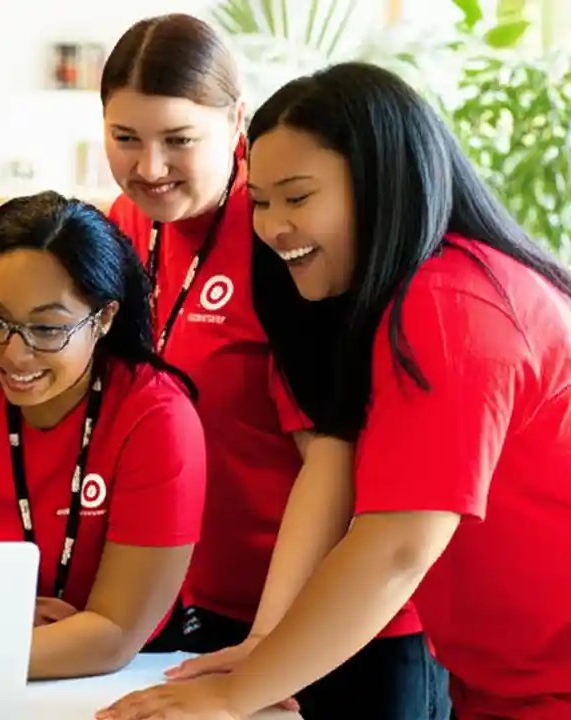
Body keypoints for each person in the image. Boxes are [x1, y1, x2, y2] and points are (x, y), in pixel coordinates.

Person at [97, 62, 571, 720]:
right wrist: (262, 653)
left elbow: (398, 546)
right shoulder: (408, 298)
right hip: (498, 683)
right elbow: (338, 463)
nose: (272, 227)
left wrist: (234, 695)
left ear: (380, 184)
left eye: (297, 198)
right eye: (261, 202)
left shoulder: (453, 303)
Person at [97, 13, 447, 718]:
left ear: (237, 121)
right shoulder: (124, 229)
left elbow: (330, 448)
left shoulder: (283, 233)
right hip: (197, 608)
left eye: (179, 140)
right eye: (126, 138)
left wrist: (269, 640)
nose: (150, 168)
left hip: (335, 620)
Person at [0, 192, 206, 680]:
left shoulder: (157, 417)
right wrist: (7, 618)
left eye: (47, 328)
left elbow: (114, 635)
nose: (15, 354)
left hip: (120, 682)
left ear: (104, 318)